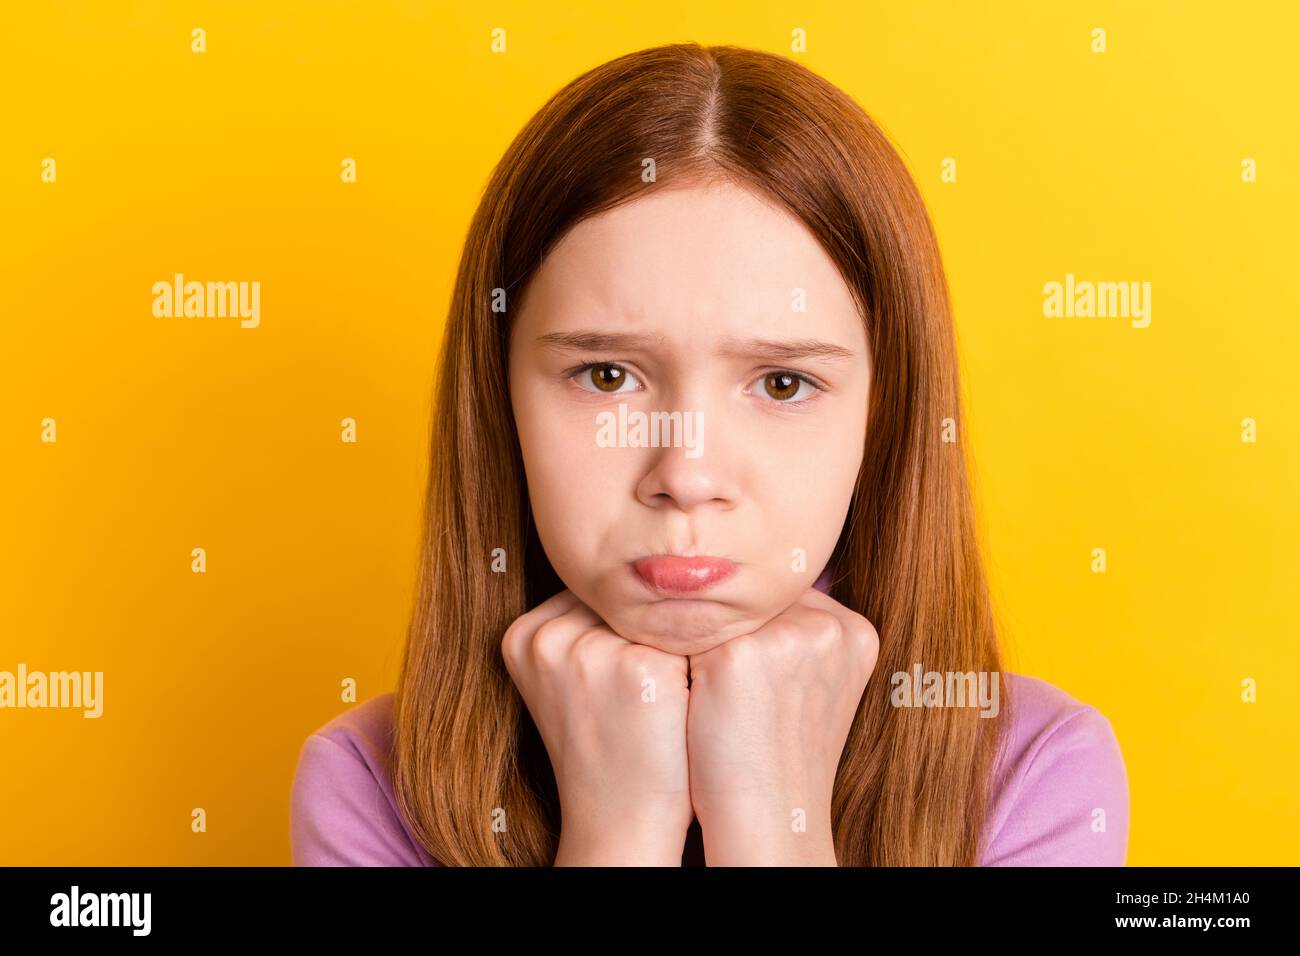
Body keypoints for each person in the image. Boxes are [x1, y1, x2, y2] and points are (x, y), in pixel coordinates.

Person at [291, 42, 1129, 866]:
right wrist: (617, 834)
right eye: (607, 374)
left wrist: (774, 824)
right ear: (498, 399)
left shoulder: (1036, 776)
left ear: (887, 416)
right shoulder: (368, 787)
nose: (686, 476)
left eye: (782, 385)